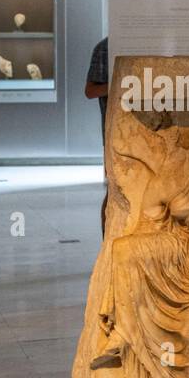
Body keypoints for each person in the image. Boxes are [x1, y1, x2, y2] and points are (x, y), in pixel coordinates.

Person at [84, 37, 110, 233]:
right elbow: (90, 90)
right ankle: (108, 250)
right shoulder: (104, 48)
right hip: (115, 136)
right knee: (115, 193)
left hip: (155, 134)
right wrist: (123, 84)